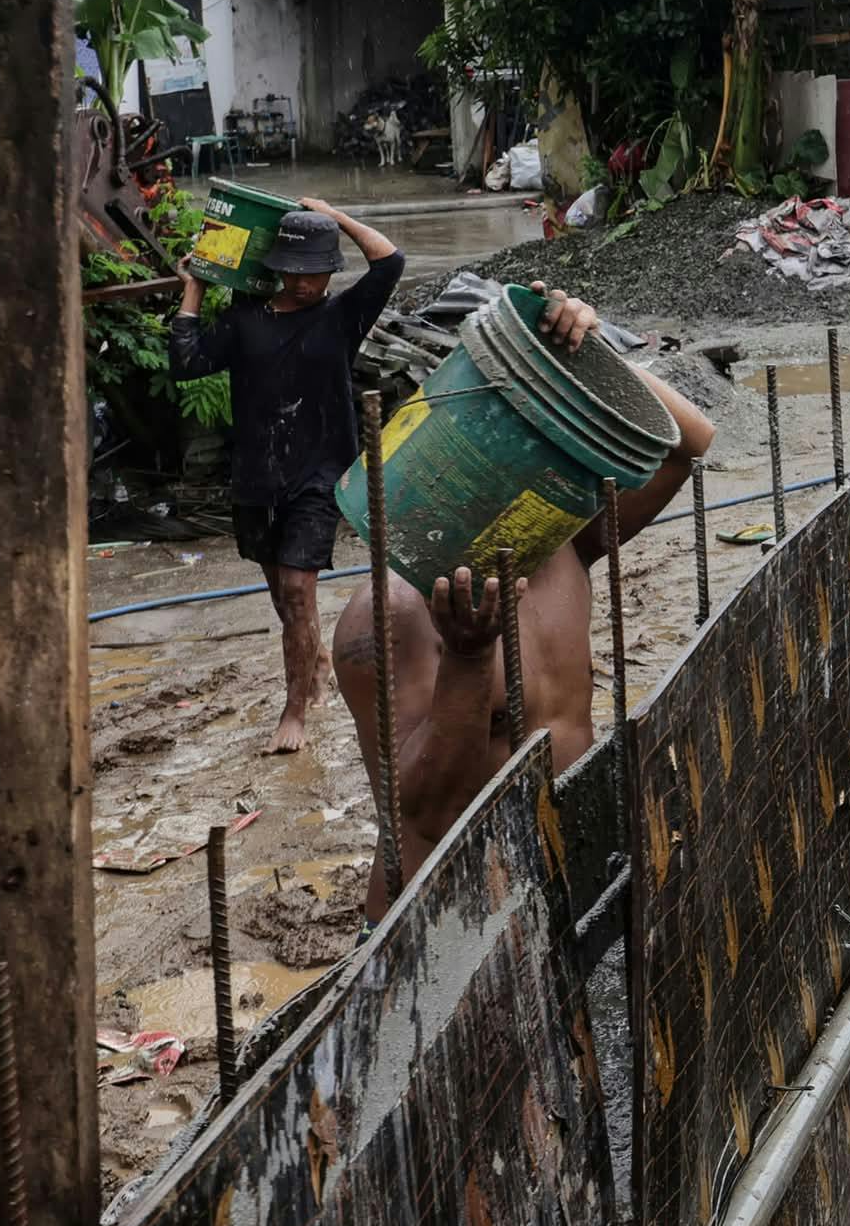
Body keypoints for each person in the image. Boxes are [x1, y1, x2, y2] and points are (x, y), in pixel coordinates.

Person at [329, 289, 715, 917]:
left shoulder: (559, 544)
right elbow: (428, 814)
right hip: (448, 920)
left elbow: (688, 442)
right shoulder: (389, 613)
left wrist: (589, 357)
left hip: (561, 878)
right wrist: (467, 657)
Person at [172, 201, 404, 755]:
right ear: (277, 267)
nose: (305, 283)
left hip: (318, 478)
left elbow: (390, 261)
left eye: (316, 272)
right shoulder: (245, 321)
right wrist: (195, 287)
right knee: (283, 596)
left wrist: (335, 215)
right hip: (257, 477)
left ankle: (294, 710)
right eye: (295, 271)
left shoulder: (343, 316)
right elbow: (187, 363)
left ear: (330, 270)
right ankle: (313, 657)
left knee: (299, 591)